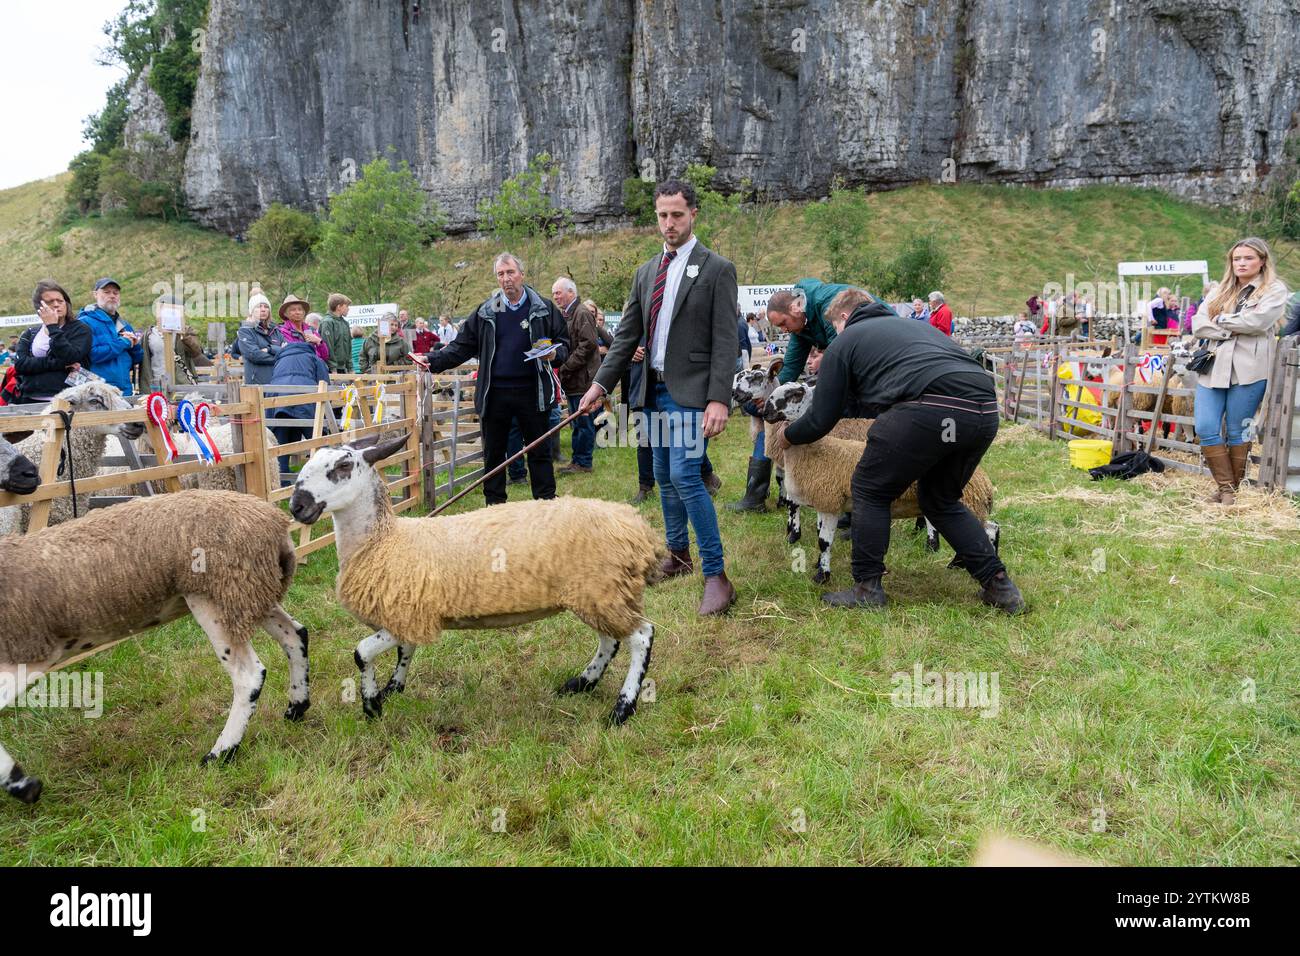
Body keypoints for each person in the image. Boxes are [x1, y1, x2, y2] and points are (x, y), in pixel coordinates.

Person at [768, 287, 1025, 613]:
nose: (835, 334)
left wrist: (789, 436)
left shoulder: (845, 342)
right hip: (984, 408)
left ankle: (867, 587)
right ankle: (1000, 587)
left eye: (835, 327)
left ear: (844, 317)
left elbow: (821, 418)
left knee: (869, 487)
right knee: (940, 498)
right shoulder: (917, 328)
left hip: (927, 408)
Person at [578, 178, 738, 617]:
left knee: (687, 475)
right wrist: (599, 386)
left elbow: (726, 341)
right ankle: (679, 554)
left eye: (677, 215)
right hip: (653, 390)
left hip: (693, 393)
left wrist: (719, 399)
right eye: (663, 216)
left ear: (693, 215)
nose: (669, 224)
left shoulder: (717, 269)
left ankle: (716, 575)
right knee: (665, 476)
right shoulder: (646, 272)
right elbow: (627, 336)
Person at [426, 253, 569, 505]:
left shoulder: (544, 308)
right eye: (500, 274)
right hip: (495, 393)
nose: (506, 279)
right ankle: (494, 508)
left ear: (522, 275)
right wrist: (432, 361)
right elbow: (461, 346)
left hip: (532, 391)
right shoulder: (486, 311)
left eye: (510, 272)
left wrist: (555, 353)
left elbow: (565, 344)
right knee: (493, 454)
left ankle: (546, 506)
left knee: (539, 451)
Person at [1192, 237, 1289, 505]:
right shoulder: (1219, 290)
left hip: (1250, 369)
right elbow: (1198, 324)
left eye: (1248, 258)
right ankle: (1227, 488)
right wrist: (1229, 325)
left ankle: (1228, 493)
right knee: (1206, 426)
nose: (1241, 263)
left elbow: (1258, 321)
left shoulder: (1274, 290)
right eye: (1237, 259)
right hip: (1212, 368)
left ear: (1262, 261)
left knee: (1238, 430)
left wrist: (1220, 320)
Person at [268, 325, 331, 486]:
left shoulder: (281, 359)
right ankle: (323, 479)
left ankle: (282, 484)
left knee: (281, 443)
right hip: (305, 400)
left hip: (279, 401)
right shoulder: (314, 358)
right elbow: (324, 383)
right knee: (316, 440)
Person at [13, 280, 92, 404]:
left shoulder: (81, 329)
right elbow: (20, 365)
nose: (56, 305)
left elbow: (70, 356)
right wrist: (59, 364)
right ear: (39, 307)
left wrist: (53, 327)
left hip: (69, 400)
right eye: (50, 302)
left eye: (60, 301)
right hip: (30, 398)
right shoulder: (30, 333)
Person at [553, 277, 600, 475]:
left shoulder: (581, 313)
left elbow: (588, 344)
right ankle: (577, 460)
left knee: (584, 422)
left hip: (583, 380)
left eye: (559, 292)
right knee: (577, 422)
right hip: (575, 380)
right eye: (554, 293)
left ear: (571, 292)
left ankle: (584, 462)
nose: (555, 297)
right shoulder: (568, 315)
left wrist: (566, 366)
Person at [78, 277, 143, 396]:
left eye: (115, 293)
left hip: (125, 390)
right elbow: (92, 355)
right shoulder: (84, 322)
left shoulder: (125, 325)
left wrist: (135, 344)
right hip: (98, 391)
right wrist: (124, 342)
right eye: (106, 292)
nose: (112, 296)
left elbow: (137, 358)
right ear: (95, 294)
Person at [237, 286, 285, 385]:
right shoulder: (245, 331)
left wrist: (270, 349)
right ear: (251, 310)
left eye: (266, 307)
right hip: (257, 384)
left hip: (278, 381)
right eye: (259, 306)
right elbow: (254, 355)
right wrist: (279, 355)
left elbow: (287, 351)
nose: (263, 310)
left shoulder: (276, 330)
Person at [321, 294, 354, 375]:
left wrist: (350, 368)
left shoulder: (345, 323)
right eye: (346, 306)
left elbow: (348, 347)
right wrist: (333, 369)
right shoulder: (327, 322)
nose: (348, 309)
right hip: (331, 370)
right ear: (339, 307)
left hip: (344, 369)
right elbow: (328, 347)